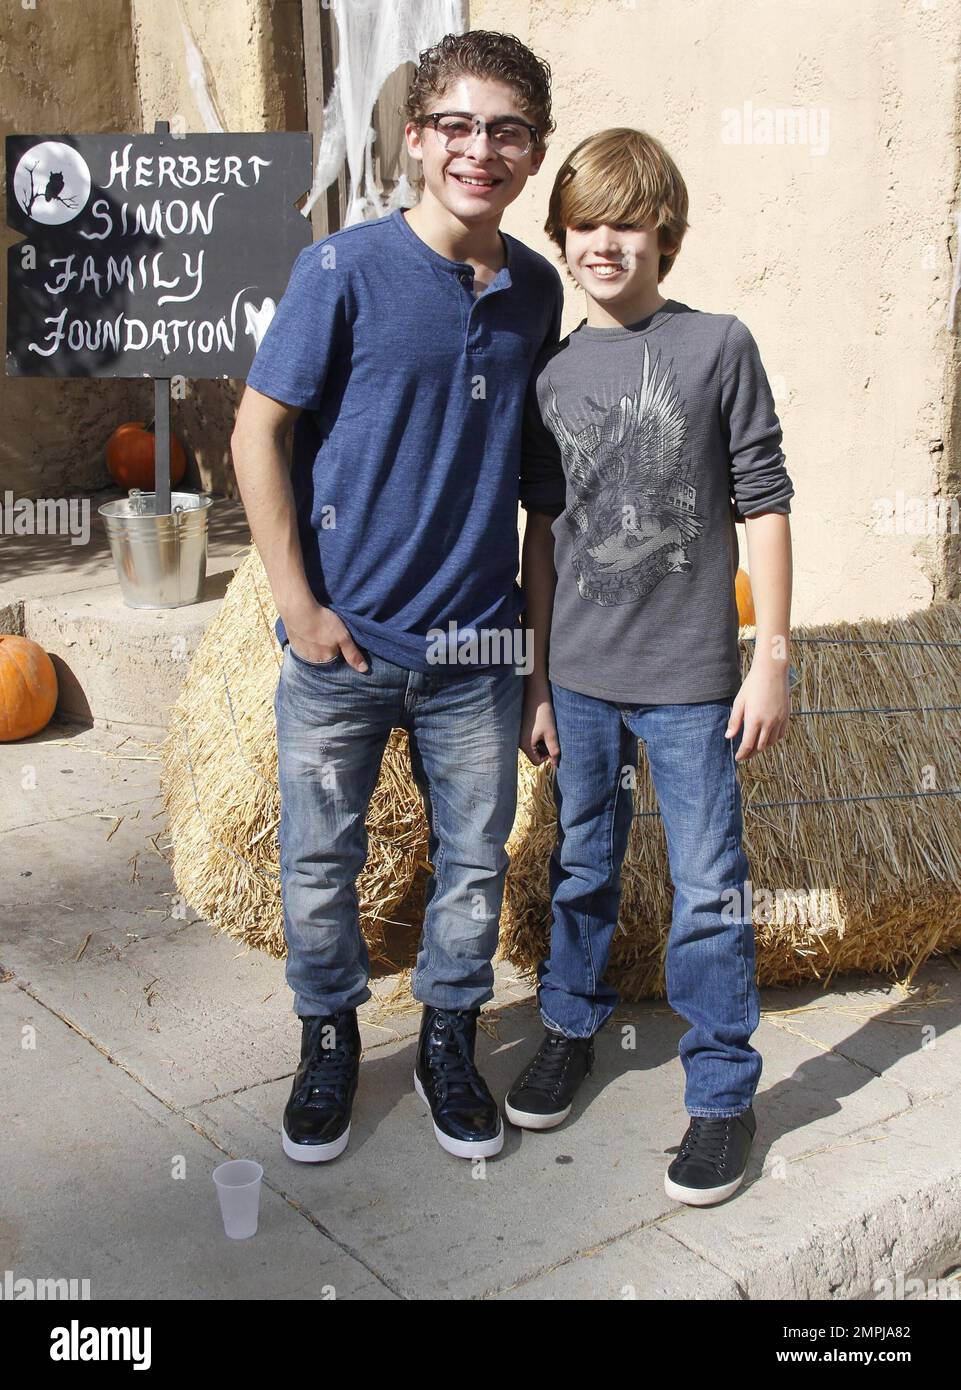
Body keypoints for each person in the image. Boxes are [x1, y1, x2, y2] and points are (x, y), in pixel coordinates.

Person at [230, 31, 564, 1163]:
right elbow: (256, 432)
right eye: (458, 126)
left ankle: (447, 1041)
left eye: (507, 129)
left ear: (532, 151)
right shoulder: (342, 272)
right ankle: (328, 1042)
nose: (481, 149)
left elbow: (536, 494)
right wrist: (300, 604)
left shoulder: (534, 290)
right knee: (319, 859)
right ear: (416, 139)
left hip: (477, 654)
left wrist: (535, 660)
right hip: (346, 647)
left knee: (474, 860)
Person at [511, 126, 794, 1205]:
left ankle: (722, 1095)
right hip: (578, 677)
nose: (604, 243)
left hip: (689, 684)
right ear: (563, 234)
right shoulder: (552, 371)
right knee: (581, 865)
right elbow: (544, 534)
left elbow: (762, 504)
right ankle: (568, 1028)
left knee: (710, 890)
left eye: (626, 223)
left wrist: (768, 656)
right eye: (585, 225)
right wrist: (535, 679)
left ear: (662, 233)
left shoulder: (717, 345)